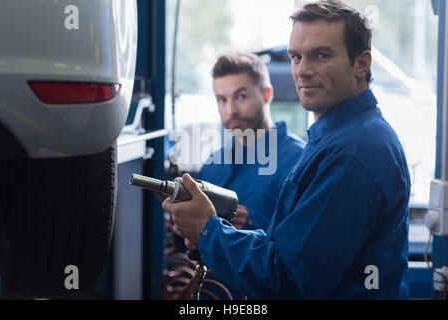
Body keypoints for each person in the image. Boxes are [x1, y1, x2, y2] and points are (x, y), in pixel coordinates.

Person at [163, 0, 411, 299]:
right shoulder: (335, 141)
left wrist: (208, 230)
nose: (302, 70)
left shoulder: (351, 153)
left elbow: (289, 280)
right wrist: (216, 230)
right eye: (296, 57)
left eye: (321, 55)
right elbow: (289, 249)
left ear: (362, 63)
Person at [198, 52, 305, 231]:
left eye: (241, 97)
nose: (231, 110)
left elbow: (307, 237)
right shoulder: (212, 164)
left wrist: (251, 223)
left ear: (267, 94)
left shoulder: (301, 162)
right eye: (222, 99)